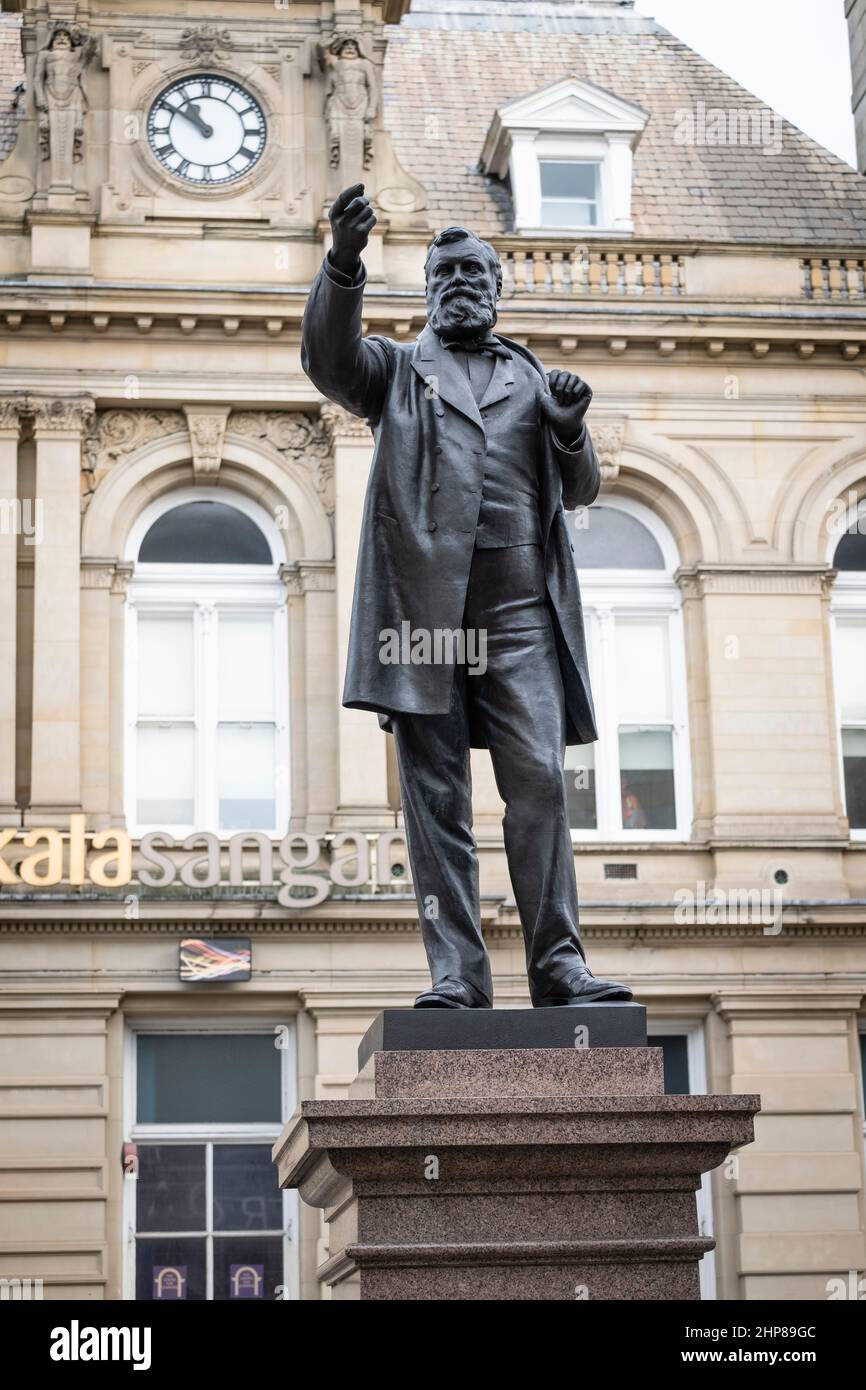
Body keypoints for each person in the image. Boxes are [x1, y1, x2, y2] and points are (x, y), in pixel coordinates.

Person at [301, 183, 633, 1009]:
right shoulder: (396, 371)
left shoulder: (533, 377)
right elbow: (329, 362)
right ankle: (457, 973)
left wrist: (570, 429)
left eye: (472, 272)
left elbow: (582, 491)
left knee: (541, 783)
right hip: (425, 619)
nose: (459, 283)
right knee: (436, 799)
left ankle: (559, 965)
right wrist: (344, 263)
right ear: (425, 290)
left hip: (519, 614)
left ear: (496, 286)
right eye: (443, 273)